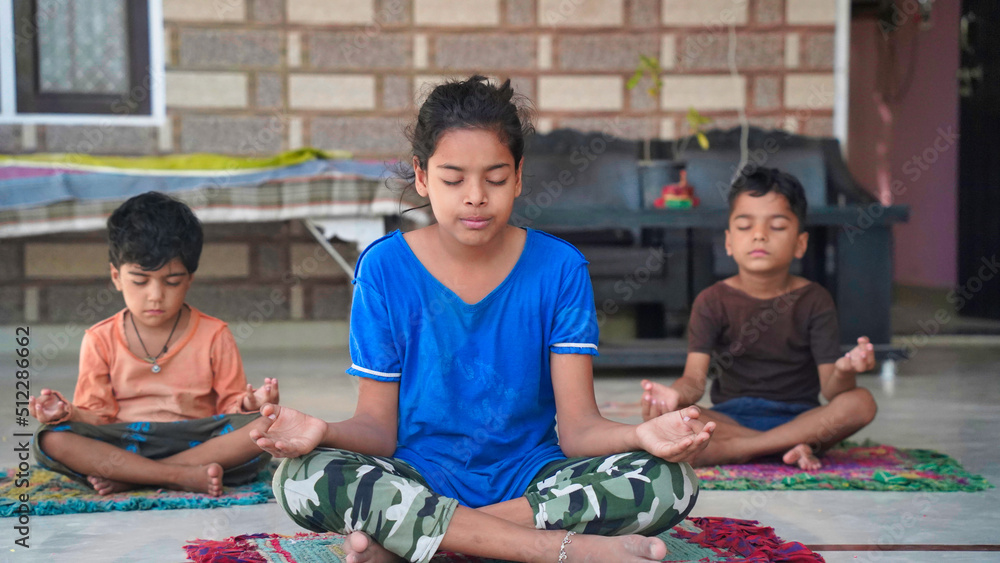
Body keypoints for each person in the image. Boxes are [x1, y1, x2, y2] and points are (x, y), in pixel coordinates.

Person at [250, 75, 716, 563]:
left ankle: (423, 540)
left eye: (495, 179)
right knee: (301, 477)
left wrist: (638, 436)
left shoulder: (559, 268)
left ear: (517, 176)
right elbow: (376, 429)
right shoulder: (384, 269)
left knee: (670, 480)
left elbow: (578, 431)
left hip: (529, 479)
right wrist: (320, 431)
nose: (475, 196)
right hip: (420, 477)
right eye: (453, 179)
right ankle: (560, 549)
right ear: (422, 176)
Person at [28, 192, 279, 497]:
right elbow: (98, 416)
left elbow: (230, 408)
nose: (156, 295)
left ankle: (135, 477)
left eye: (172, 281)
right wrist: (67, 412)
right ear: (116, 276)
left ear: (189, 279)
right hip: (124, 440)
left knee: (264, 426)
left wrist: (250, 404)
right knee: (50, 438)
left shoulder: (215, 334)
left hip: (196, 438)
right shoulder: (99, 338)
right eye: (140, 281)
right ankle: (178, 475)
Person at [641, 167, 878, 470]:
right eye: (744, 226)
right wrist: (674, 395)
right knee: (674, 418)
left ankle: (741, 450)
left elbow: (832, 391)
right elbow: (694, 380)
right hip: (730, 417)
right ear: (728, 241)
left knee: (860, 402)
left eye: (777, 226)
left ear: (800, 244)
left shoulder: (814, 299)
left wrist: (845, 370)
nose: (759, 235)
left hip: (802, 418)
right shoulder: (711, 301)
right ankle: (785, 448)